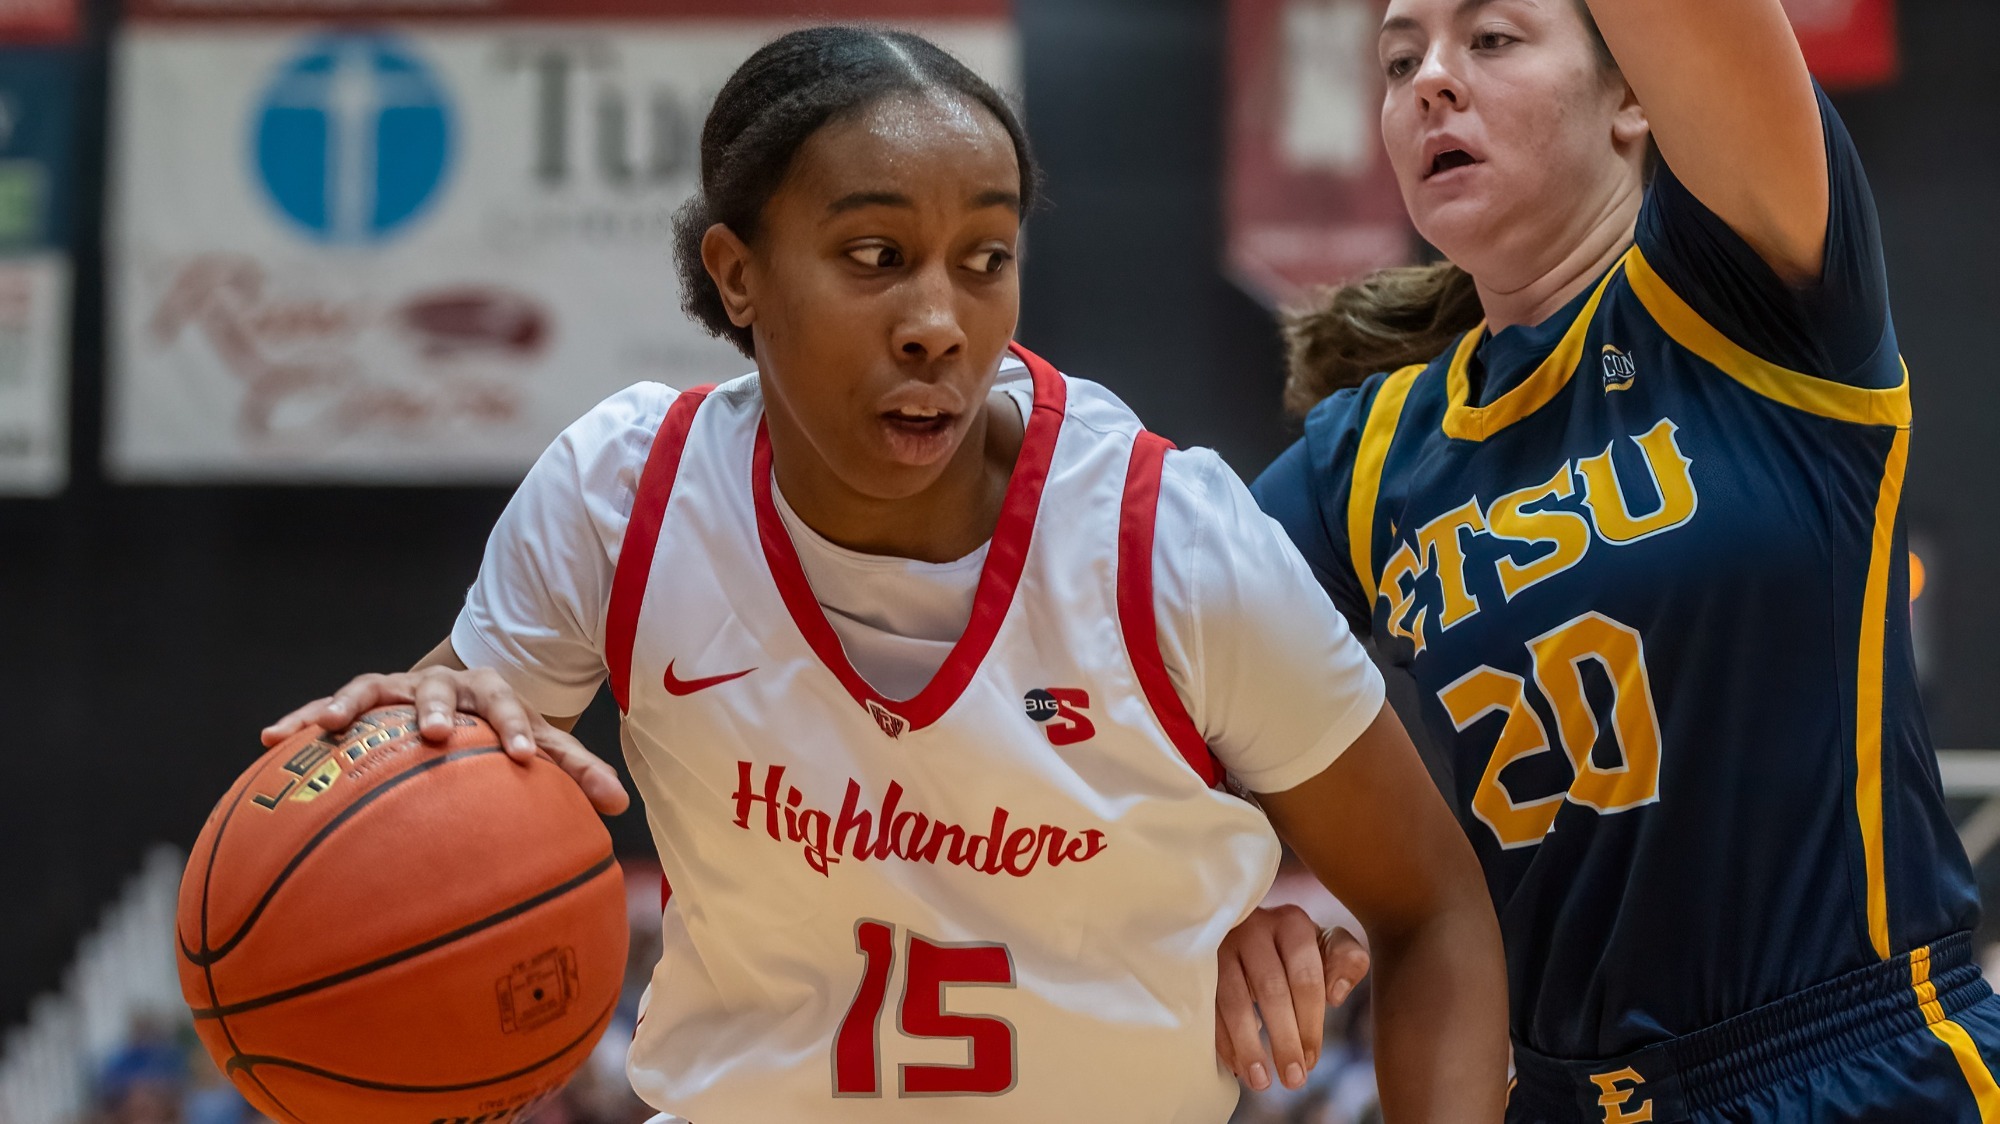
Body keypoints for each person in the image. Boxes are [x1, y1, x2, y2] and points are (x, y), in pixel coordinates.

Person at [261, 26, 1507, 1123]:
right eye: (872, 255)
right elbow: (449, 785)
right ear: (738, 273)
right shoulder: (622, 494)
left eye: (984, 258)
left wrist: (1221, 916)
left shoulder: (1167, 539)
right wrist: (423, 728)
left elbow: (1432, 906)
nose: (937, 320)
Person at [1235, 0, 2000, 1120]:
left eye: (1489, 40)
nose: (1431, 82)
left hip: (1856, 1067)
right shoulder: (1361, 462)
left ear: (1633, 95)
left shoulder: (1742, 293)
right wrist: (1212, 901)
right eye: (1400, 61)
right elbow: (1136, 675)